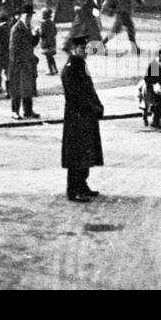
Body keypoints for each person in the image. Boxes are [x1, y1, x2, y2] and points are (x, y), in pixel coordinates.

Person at [61, 36, 104, 202]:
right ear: (73, 49)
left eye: (85, 49)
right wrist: (91, 107)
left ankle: (83, 184)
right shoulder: (70, 68)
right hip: (77, 117)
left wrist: (98, 106)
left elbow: (90, 89)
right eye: (81, 49)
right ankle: (73, 189)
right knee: (76, 155)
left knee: (86, 153)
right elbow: (75, 95)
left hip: (86, 116)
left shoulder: (81, 65)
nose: (84, 52)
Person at [7, 8, 40, 120]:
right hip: (18, 64)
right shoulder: (16, 29)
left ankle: (28, 111)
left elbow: (31, 44)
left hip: (27, 63)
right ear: (21, 16)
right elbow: (13, 48)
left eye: (30, 16)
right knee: (17, 88)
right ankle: (15, 111)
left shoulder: (27, 28)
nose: (28, 18)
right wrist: (17, 63)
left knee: (27, 88)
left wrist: (36, 36)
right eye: (27, 16)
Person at [39, 8, 59, 75]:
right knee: (51, 57)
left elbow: (42, 34)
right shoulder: (52, 22)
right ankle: (55, 69)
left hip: (46, 42)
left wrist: (37, 32)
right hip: (52, 42)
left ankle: (50, 70)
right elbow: (55, 32)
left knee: (48, 57)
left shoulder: (43, 23)